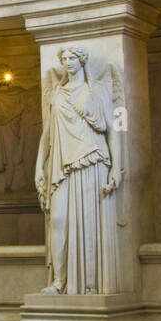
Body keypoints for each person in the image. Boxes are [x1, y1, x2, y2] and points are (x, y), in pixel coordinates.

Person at [34, 44, 121, 294]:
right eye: (64, 58)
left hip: (92, 160)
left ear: (82, 61)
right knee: (58, 220)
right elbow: (47, 133)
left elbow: (113, 131)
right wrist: (39, 166)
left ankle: (90, 284)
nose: (68, 62)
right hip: (61, 164)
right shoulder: (58, 93)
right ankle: (59, 282)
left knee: (89, 223)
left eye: (73, 58)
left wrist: (117, 167)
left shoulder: (96, 92)